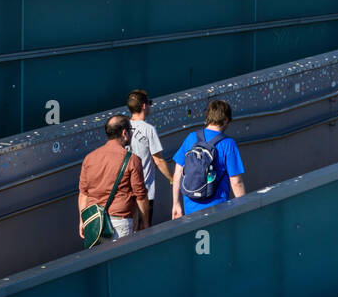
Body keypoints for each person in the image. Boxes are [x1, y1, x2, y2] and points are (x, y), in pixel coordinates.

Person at [78, 114, 149, 243]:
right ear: (124, 133)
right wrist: (145, 222)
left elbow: (83, 194)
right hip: (120, 223)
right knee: (123, 262)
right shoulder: (132, 160)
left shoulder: (89, 158)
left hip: (94, 223)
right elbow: (140, 196)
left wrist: (83, 220)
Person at [171, 98, 246, 218]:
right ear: (225, 120)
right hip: (217, 209)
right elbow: (236, 182)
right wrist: (244, 208)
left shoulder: (191, 137)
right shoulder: (228, 144)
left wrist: (176, 204)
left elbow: (178, 173)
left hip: (190, 208)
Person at [127, 89, 174, 226]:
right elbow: (158, 160)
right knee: (143, 229)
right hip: (144, 191)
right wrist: (172, 179)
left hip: (125, 191)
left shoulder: (122, 127)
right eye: (149, 103)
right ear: (143, 106)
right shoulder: (149, 129)